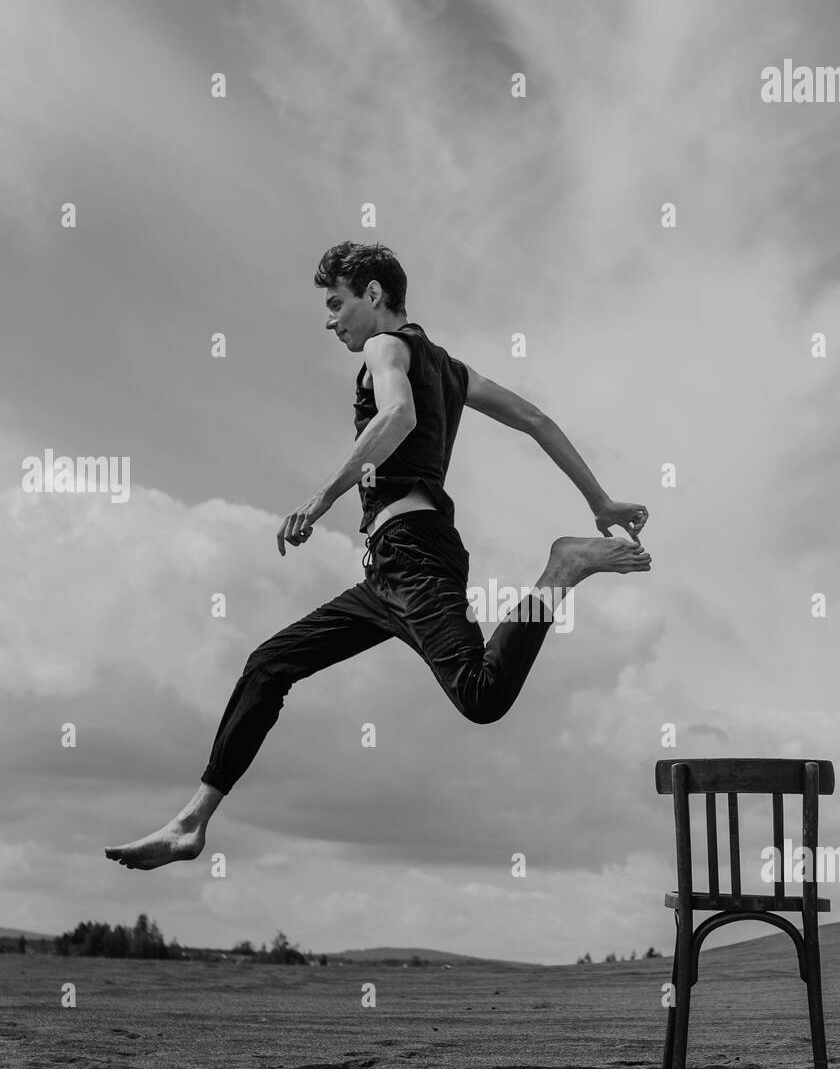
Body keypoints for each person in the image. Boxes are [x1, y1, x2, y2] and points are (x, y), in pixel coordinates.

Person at [106, 241, 651, 870]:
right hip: (388, 573)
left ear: (373, 294)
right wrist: (601, 501)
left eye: (337, 303)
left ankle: (560, 570)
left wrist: (319, 500)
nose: (330, 319)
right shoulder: (451, 367)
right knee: (269, 665)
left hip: (415, 558)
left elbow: (396, 412)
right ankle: (191, 822)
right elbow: (534, 418)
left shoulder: (384, 348)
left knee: (481, 697)